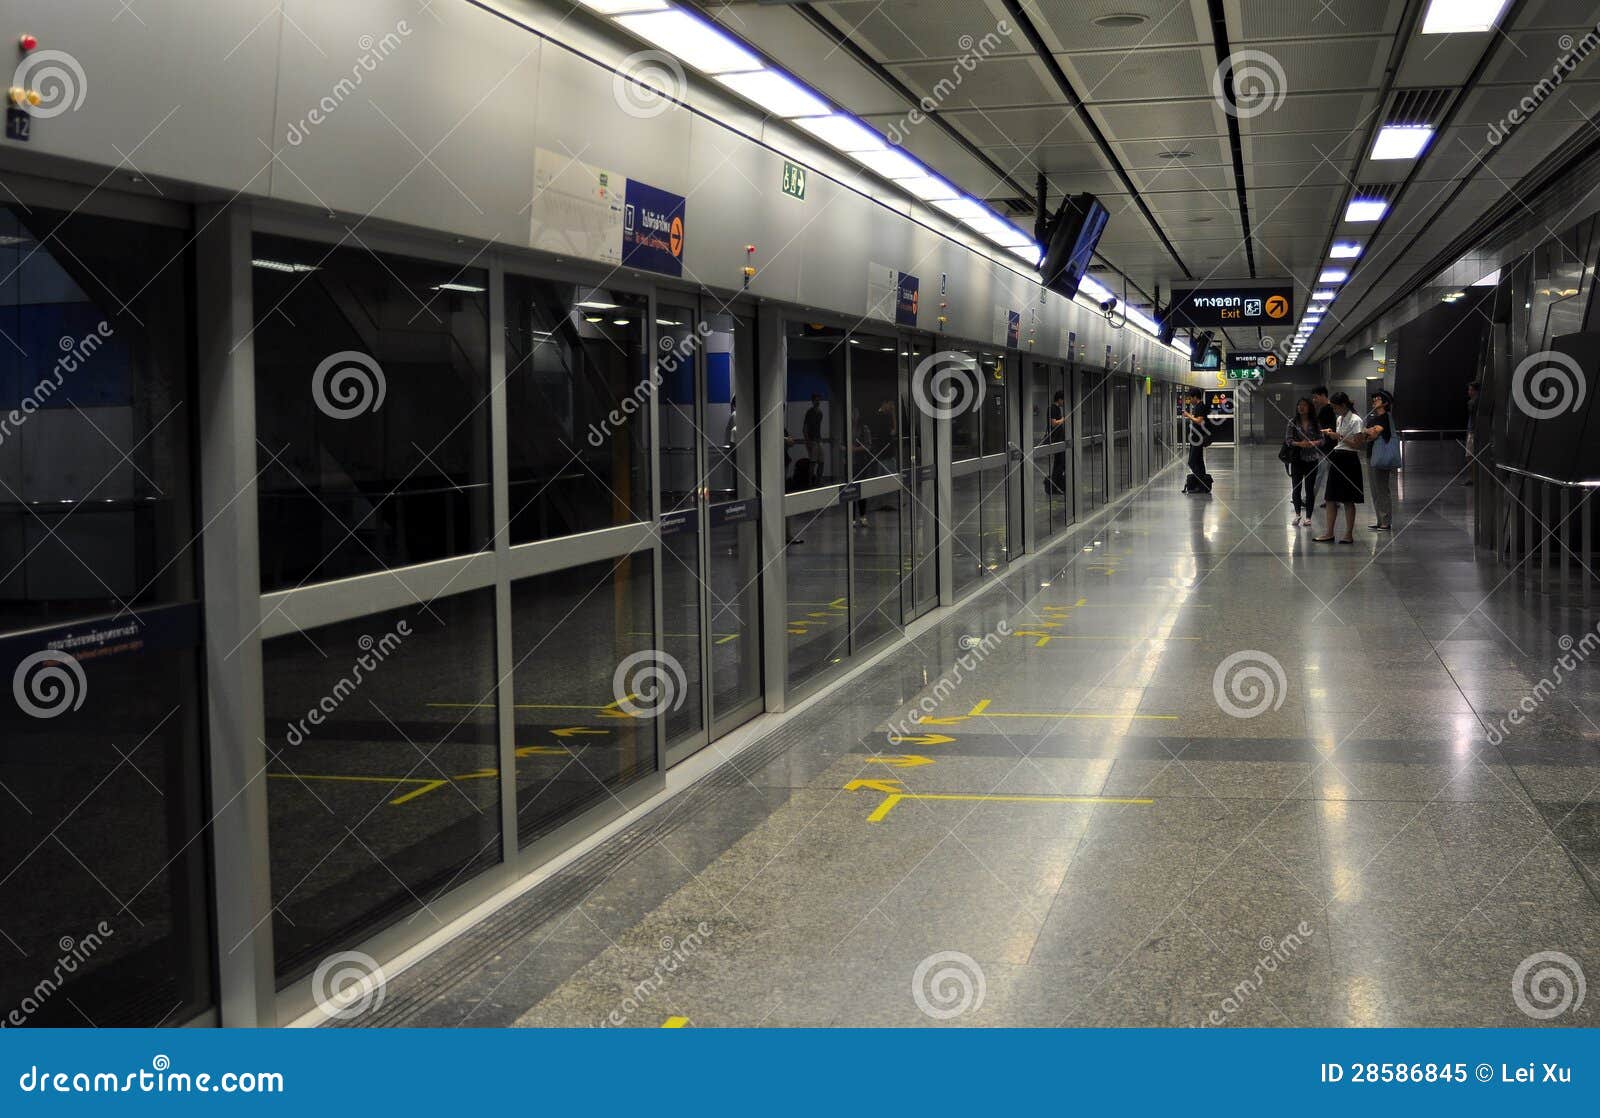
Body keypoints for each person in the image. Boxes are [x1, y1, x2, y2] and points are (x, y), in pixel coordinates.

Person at [1314, 391, 1364, 544]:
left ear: (1343, 405)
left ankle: (1348, 534)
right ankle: (1329, 532)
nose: (1334, 410)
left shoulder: (1356, 420)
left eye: (1336, 407)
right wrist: (1331, 434)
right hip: (1338, 457)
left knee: (1348, 500)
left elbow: (1358, 444)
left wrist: (1339, 437)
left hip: (1350, 459)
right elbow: (1339, 442)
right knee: (1330, 497)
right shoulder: (1339, 419)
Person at [1284, 397, 1320, 526]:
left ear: (1309, 407)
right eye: (1299, 405)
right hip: (1297, 459)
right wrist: (1300, 443)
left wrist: (1312, 443)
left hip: (1312, 460)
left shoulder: (1315, 422)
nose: (1301, 407)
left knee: (1310, 489)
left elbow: (1322, 440)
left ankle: (1309, 517)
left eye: (1304, 405)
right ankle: (1298, 514)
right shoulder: (1292, 422)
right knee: (1296, 488)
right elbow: (1288, 440)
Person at [1365, 390, 1397, 530]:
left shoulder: (1385, 417)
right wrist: (1369, 432)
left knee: (1382, 489)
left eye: (1377, 399)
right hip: (1371, 455)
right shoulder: (1373, 418)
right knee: (1374, 490)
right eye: (1373, 399)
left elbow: (1373, 433)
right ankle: (1380, 519)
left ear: (1385, 402)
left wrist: (1369, 431)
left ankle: (1385, 521)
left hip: (1381, 455)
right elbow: (1368, 434)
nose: (1374, 401)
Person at [1183, 391, 1213, 494]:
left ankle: (1201, 484)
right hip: (1196, 439)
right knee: (1199, 462)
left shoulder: (1200, 407)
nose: (1190, 401)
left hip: (1197, 439)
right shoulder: (1200, 406)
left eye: (1190, 398)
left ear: (1195, 397)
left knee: (1191, 462)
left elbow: (1199, 421)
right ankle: (1202, 485)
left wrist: (1188, 415)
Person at [1310, 385, 1335, 508]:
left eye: (1315, 397)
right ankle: (1333, 499)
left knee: (1319, 473)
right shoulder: (1328, 409)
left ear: (1323, 396)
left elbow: (1320, 427)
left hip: (1327, 448)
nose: (1314, 400)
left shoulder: (1327, 409)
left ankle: (1309, 498)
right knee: (1330, 475)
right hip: (1329, 447)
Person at [1047, 390, 1066, 495]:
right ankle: (1054, 484)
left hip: (1060, 439)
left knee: (1059, 463)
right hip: (1056, 440)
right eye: (1063, 400)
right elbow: (1053, 423)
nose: (1063, 402)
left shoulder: (1057, 408)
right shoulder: (1053, 408)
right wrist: (1063, 419)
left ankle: (1056, 485)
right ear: (1059, 399)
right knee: (1061, 463)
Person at [802, 393, 825, 481]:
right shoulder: (810, 412)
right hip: (812, 440)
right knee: (813, 462)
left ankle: (818, 480)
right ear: (813, 401)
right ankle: (810, 482)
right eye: (816, 399)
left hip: (819, 440)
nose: (818, 401)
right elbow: (805, 428)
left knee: (821, 462)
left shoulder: (820, 413)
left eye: (819, 399)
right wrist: (808, 441)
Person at [1463, 380, 1479, 486]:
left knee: (1470, 456)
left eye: (1471, 389)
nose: (1469, 392)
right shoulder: (1473, 402)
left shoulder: (1474, 402)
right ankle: (1473, 478)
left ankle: (1473, 478)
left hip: (1473, 432)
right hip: (1471, 431)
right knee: (1470, 456)